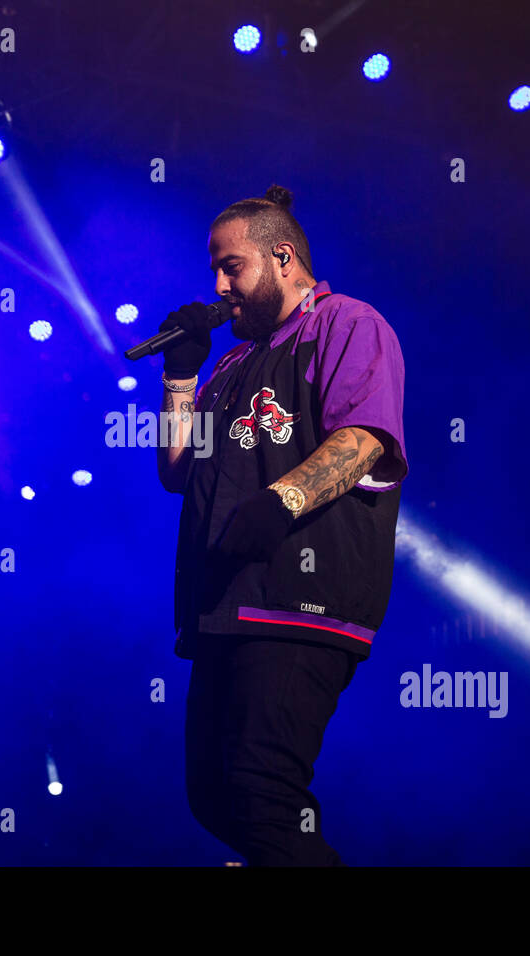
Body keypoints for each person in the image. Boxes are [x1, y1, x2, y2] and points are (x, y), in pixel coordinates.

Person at [156, 185, 409, 865]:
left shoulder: (348, 325)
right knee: (212, 796)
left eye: (231, 266)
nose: (218, 284)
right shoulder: (234, 363)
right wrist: (182, 376)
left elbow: (365, 439)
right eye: (214, 268)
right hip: (226, 604)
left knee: (260, 790)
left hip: (301, 601)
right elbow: (177, 469)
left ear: (284, 257)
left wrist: (281, 502)